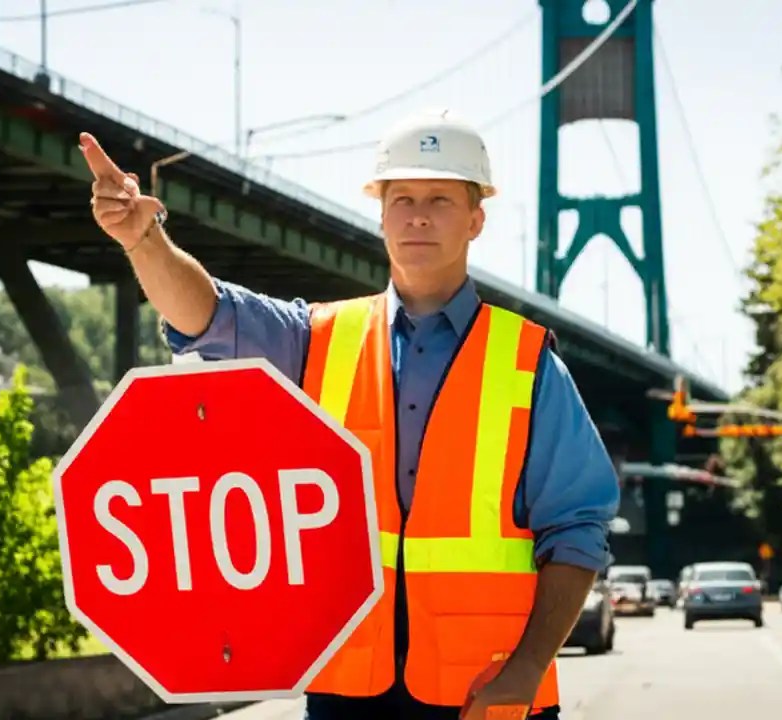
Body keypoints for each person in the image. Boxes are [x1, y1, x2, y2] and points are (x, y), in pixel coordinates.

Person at [81, 109, 620, 720]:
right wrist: (142, 241)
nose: (418, 214)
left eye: (440, 199)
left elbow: (577, 530)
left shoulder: (527, 362)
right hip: (347, 694)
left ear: (476, 220)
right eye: (403, 197)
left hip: (487, 693)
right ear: (381, 214)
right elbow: (206, 315)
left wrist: (525, 670)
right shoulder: (317, 337)